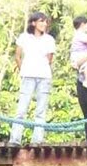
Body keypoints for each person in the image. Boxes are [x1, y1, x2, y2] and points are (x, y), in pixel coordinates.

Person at [11, 11, 56, 144]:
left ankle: (37, 140)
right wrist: (24, 70)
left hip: (44, 76)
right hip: (28, 75)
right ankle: (15, 139)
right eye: (41, 21)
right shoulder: (24, 37)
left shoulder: (49, 39)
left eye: (45, 22)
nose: (44, 24)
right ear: (33, 23)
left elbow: (50, 59)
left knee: (41, 110)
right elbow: (17, 56)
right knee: (22, 108)